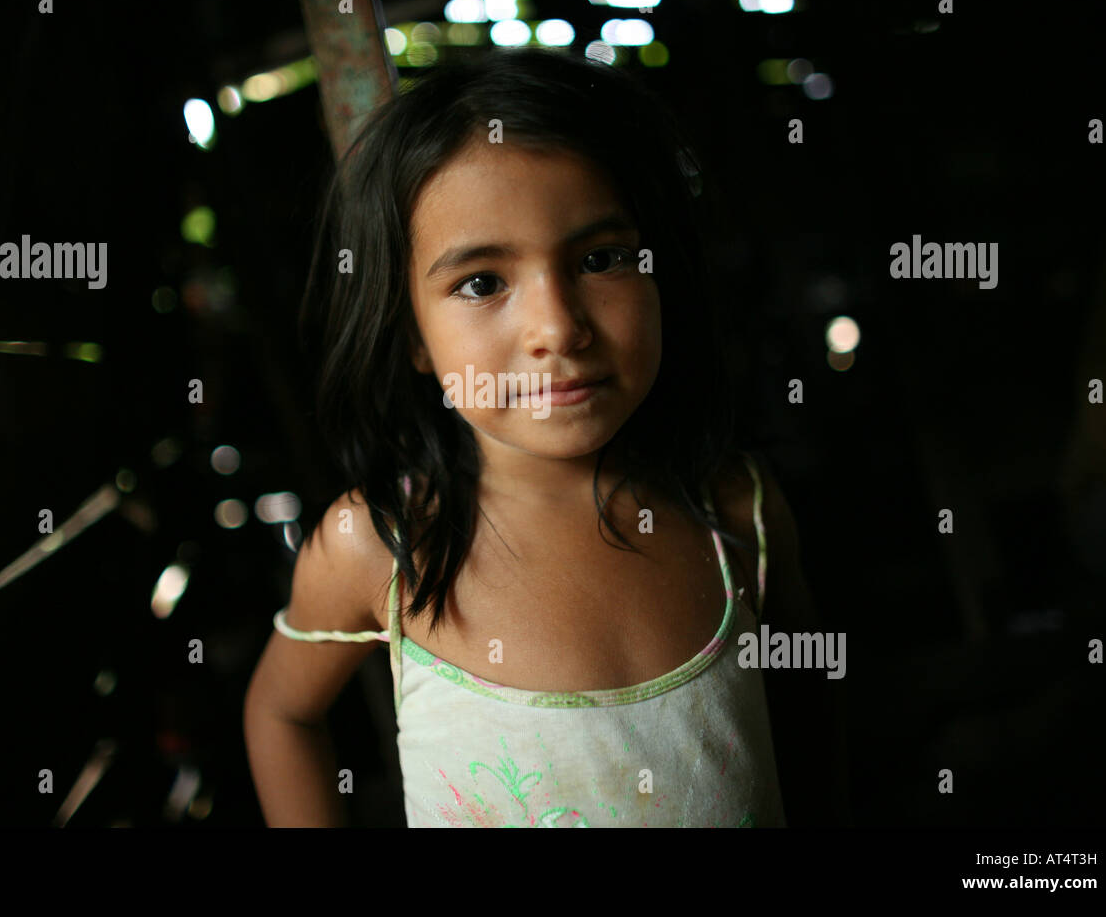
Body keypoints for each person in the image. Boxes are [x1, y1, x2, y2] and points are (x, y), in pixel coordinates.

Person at [244, 47, 844, 827]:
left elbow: (809, 731)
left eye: (602, 259)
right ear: (414, 338)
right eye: (483, 283)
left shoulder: (738, 515)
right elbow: (283, 715)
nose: (558, 327)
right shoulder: (382, 545)